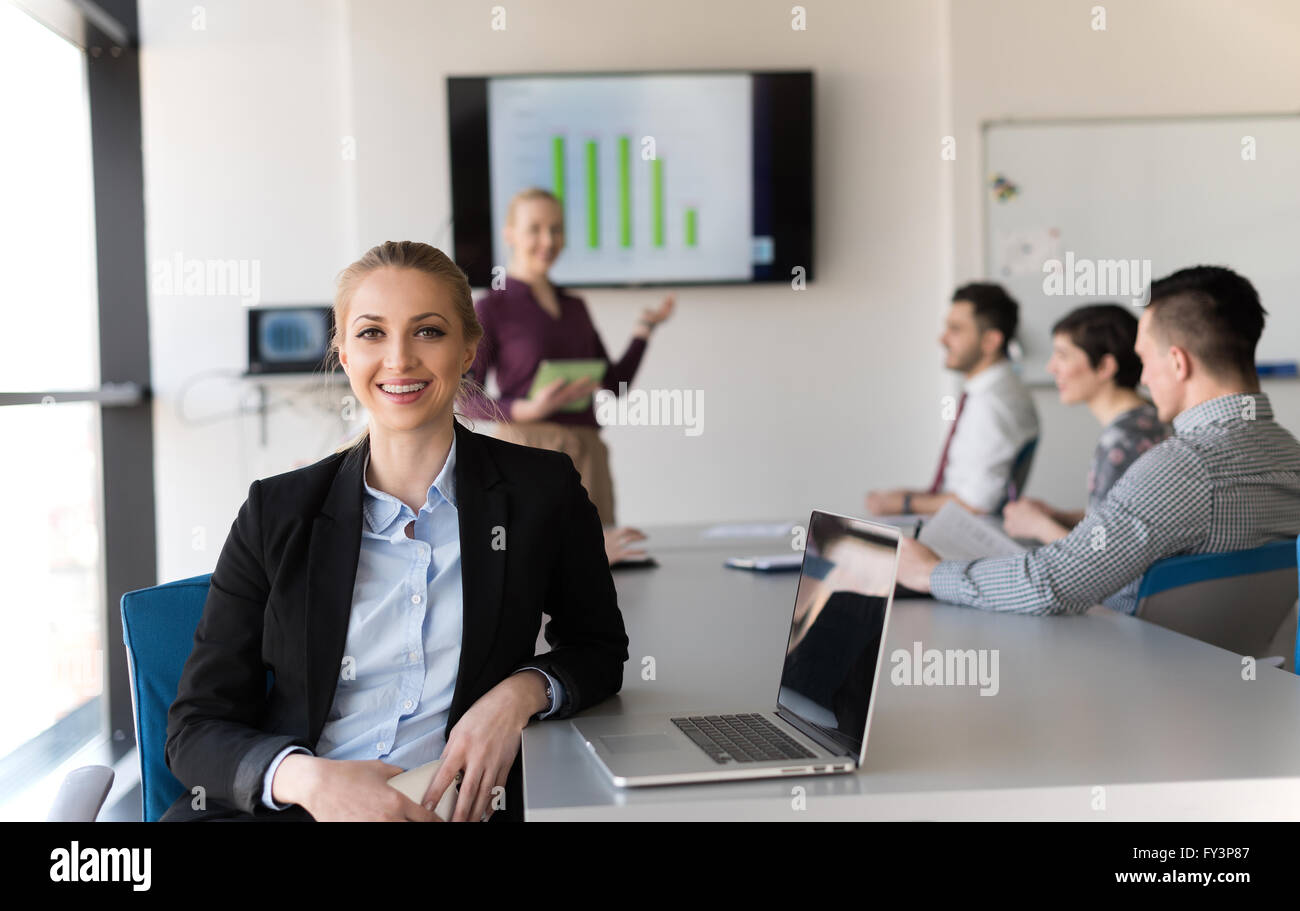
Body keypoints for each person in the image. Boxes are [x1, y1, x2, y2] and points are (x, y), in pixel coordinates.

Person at [163, 241, 629, 822]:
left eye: (428, 332)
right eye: (372, 333)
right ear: (342, 352)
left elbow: (598, 649)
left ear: (467, 350)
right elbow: (196, 728)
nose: (400, 359)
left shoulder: (541, 491)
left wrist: (521, 691)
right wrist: (308, 780)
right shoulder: (276, 511)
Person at [897, 266, 1300, 615]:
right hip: (1242, 679)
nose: (1141, 378)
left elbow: (1053, 583)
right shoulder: (1289, 453)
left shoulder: (1183, 467)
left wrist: (929, 572)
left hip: (1143, 676)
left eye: (1144, 360)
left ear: (1178, 363)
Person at [465, 187, 674, 563]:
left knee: (598, 573)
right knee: (533, 566)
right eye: (535, 229)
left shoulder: (576, 306)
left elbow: (614, 383)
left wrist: (645, 329)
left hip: (587, 453)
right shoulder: (491, 307)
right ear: (509, 233)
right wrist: (526, 409)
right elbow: (464, 395)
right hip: (525, 450)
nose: (548, 240)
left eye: (556, 229)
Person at [866, 283, 1038, 517]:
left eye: (955, 329)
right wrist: (914, 498)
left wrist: (905, 504)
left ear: (990, 341)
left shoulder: (992, 403)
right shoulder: (993, 391)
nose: (943, 339)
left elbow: (977, 504)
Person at [1002, 304, 1169, 543]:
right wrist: (1058, 517)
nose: (1051, 367)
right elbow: (1122, 520)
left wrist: (1038, 526)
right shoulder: (1150, 417)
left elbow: (1103, 556)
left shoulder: (1122, 442)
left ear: (1105, 367)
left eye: (1062, 355)